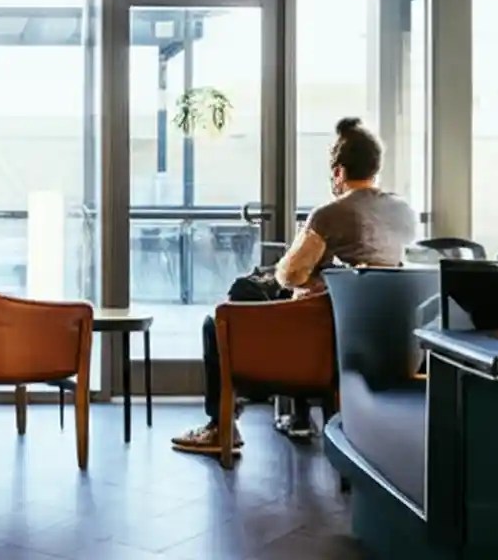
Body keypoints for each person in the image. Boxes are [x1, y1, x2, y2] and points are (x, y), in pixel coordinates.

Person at [171, 117, 417, 457]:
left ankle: (221, 423)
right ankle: (295, 414)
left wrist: (312, 275)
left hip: (329, 325)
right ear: (375, 167)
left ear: (339, 172)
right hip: (380, 331)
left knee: (222, 315)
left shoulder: (330, 213)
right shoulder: (404, 211)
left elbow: (289, 274)